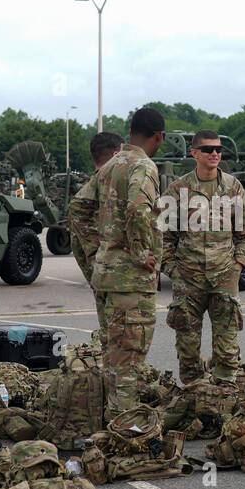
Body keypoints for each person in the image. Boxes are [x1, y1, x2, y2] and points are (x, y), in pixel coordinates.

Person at [161, 130, 245, 383]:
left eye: (219, 150)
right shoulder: (178, 188)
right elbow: (163, 237)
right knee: (187, 350)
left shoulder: (233, 187)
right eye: (208, 149)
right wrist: (173, 270)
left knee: (227, 349)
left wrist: (238, 266)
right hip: (188, 280)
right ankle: (192, 399)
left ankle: (223, 399)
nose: (215, 154)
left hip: (224, 276)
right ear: (194, 153)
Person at [91, 108, 164, 419]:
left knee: (113, 357)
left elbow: (79, 208)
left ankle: (110, 422)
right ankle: (125, 430)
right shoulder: (143, 167)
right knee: (130, 360)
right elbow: (137, 209)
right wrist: (140, 252)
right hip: (130, 281)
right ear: (159, 136)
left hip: (106, 275)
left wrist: (92, 257)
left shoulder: (111, 165)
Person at [68, 131, 123, 331]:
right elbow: (93, 254)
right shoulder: (96, 194)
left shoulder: (88, 192)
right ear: (117, 154)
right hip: (112, 282)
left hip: (103, 280)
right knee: (117, 338)